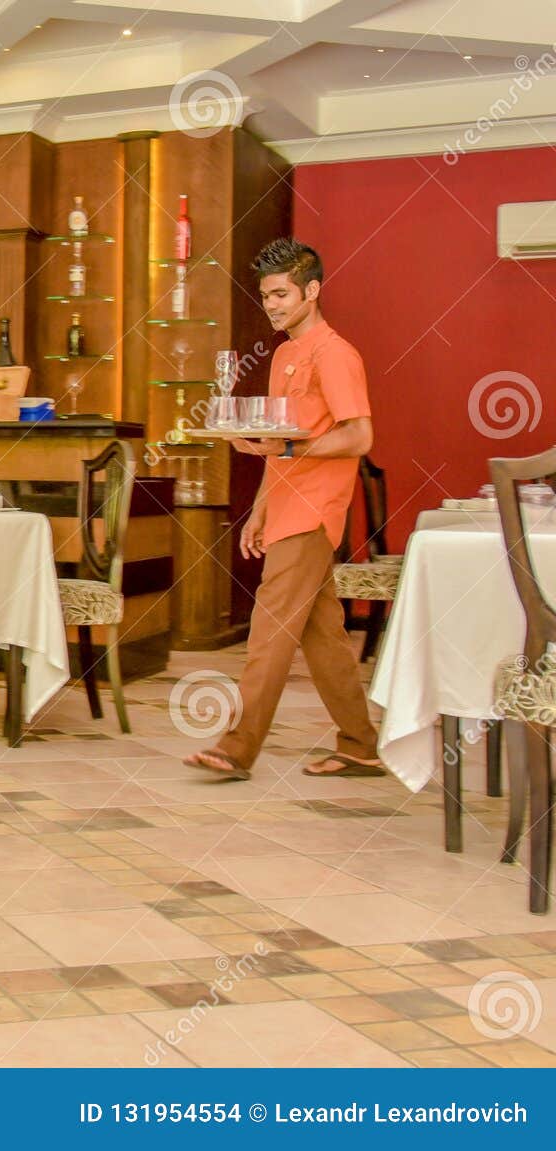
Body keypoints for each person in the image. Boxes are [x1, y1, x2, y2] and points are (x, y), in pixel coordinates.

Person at [185, 238, 383, 779]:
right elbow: (278, 445)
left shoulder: (335, 353)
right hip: (288, 506)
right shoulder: (284, 354)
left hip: (315, 511)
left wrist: (292, 450)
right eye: (266, 295)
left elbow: (359, 436)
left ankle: (237, 746)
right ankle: (361, 745)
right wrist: (258, 511)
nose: (271, 304)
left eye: (280, 293)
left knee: (269, 631)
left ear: (311, 290)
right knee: (325, 639)